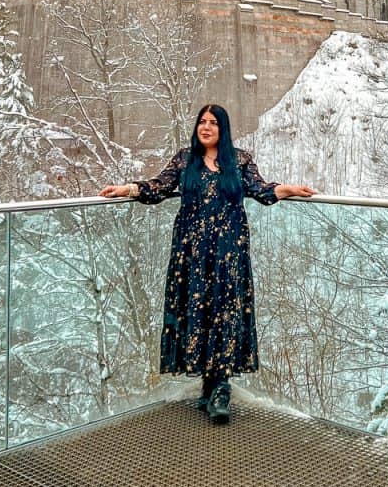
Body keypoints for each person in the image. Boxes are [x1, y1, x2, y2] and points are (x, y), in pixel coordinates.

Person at [99, 103, 315, 424]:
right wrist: (127, 189)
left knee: (225, 310)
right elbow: (159, 186)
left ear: (223, 129)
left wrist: (287, 189)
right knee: (198, 310)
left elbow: (260, 189)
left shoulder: (239, 161)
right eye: (202, 121)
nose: (207, 127)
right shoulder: (185, 159)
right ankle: (210, 384)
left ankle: (221, 387)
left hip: (229, 251)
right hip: (191, 251)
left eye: (213, 123)